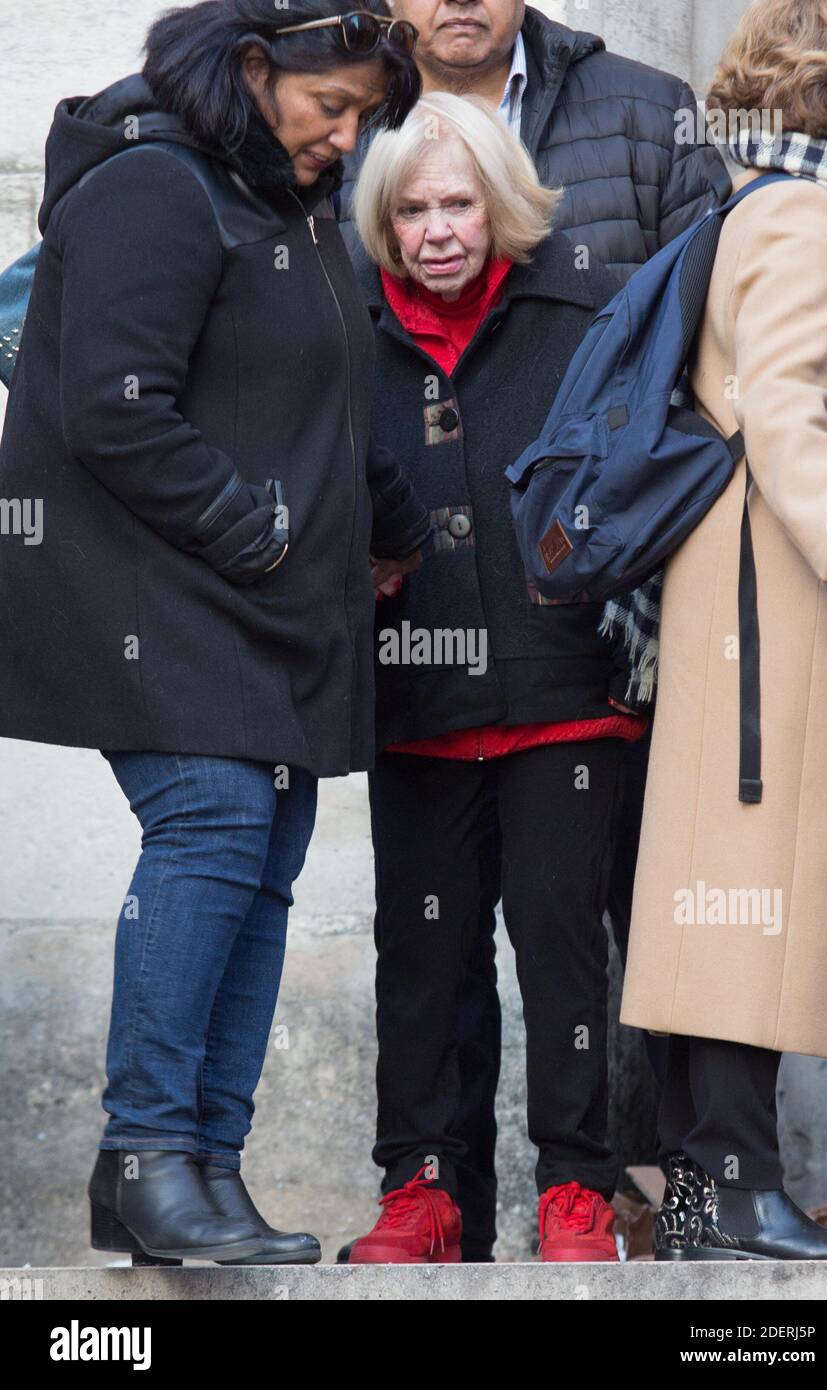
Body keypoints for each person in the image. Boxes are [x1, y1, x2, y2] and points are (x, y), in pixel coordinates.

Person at [0, 0, 428, 1266]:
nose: (349, 139)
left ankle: (201, 1171)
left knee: (267, 841)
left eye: (366, 116)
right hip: (160, 592)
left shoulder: (283, 210)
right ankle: (144, 1153)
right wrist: (274, 539)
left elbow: (337, 410)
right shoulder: (154, 186)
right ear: (252, 70)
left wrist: (391, 528)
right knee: (214, 825)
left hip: (254, 600)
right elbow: (114, 410)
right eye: (330, 106)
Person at [335, 0, 730, 1264]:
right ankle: (426, 1192)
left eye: (457, 207)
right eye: (410, 212)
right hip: (417, 710)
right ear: (380, 224)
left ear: (498, 205)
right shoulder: (351, 340)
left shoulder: (578, 321)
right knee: (426, 965)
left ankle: (575, 1192)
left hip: (566, 693)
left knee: (565, 959)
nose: (436, 231)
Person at [620, 0, 827, 1260]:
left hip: (759, 600)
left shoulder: (774, 205)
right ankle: (732, 1196)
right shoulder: (809, 217)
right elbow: (780, 409)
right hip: (772, 607)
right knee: (735, 905)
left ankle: (715, 1207)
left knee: (732, 899)